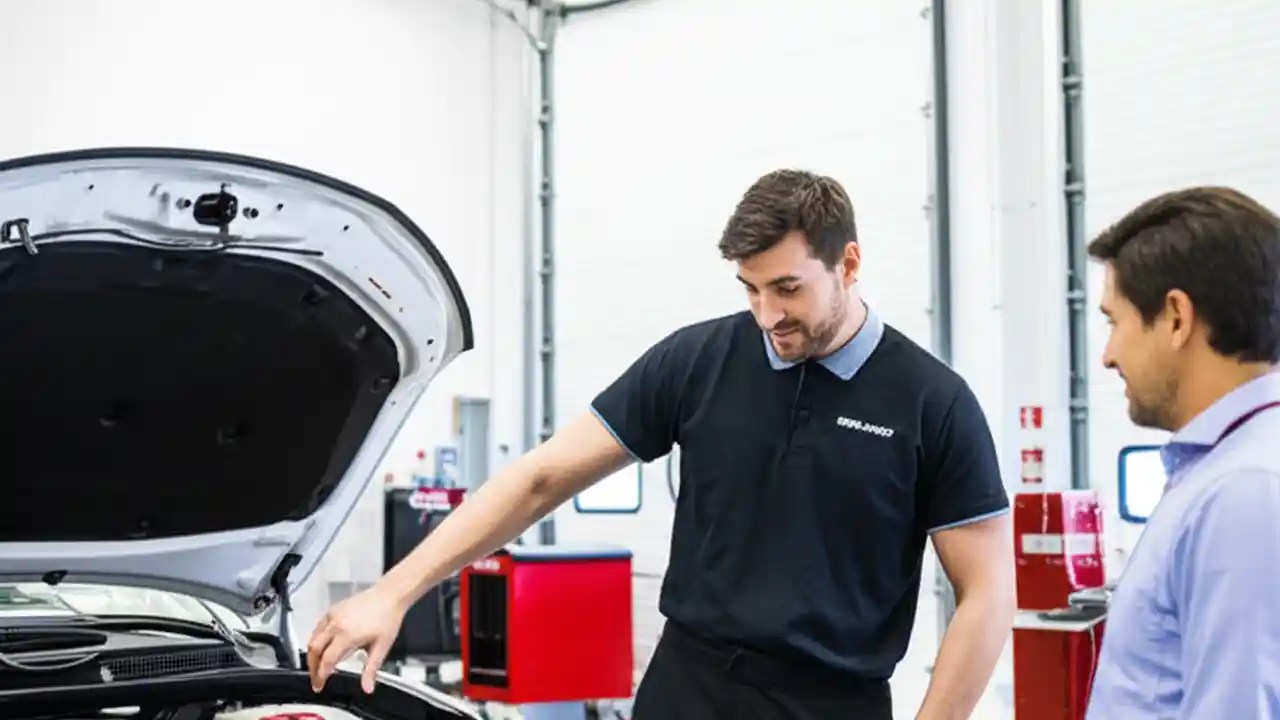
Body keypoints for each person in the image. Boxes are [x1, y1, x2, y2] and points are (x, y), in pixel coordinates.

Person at [305, 169, 1015, 719]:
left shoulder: (932, 403)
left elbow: (984, 592)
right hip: (687, 688)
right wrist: (395, 591)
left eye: (788, 289)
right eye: (750, 289)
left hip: (829, 702)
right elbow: (541, 478)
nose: (768, 315)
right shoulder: (696, 361)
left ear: (850, 264)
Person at [1084, 186, 1280, 718]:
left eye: (1113, 322)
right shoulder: (1223, 468)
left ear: (1175, 318)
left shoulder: (1242, 492)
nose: (1107, 356)